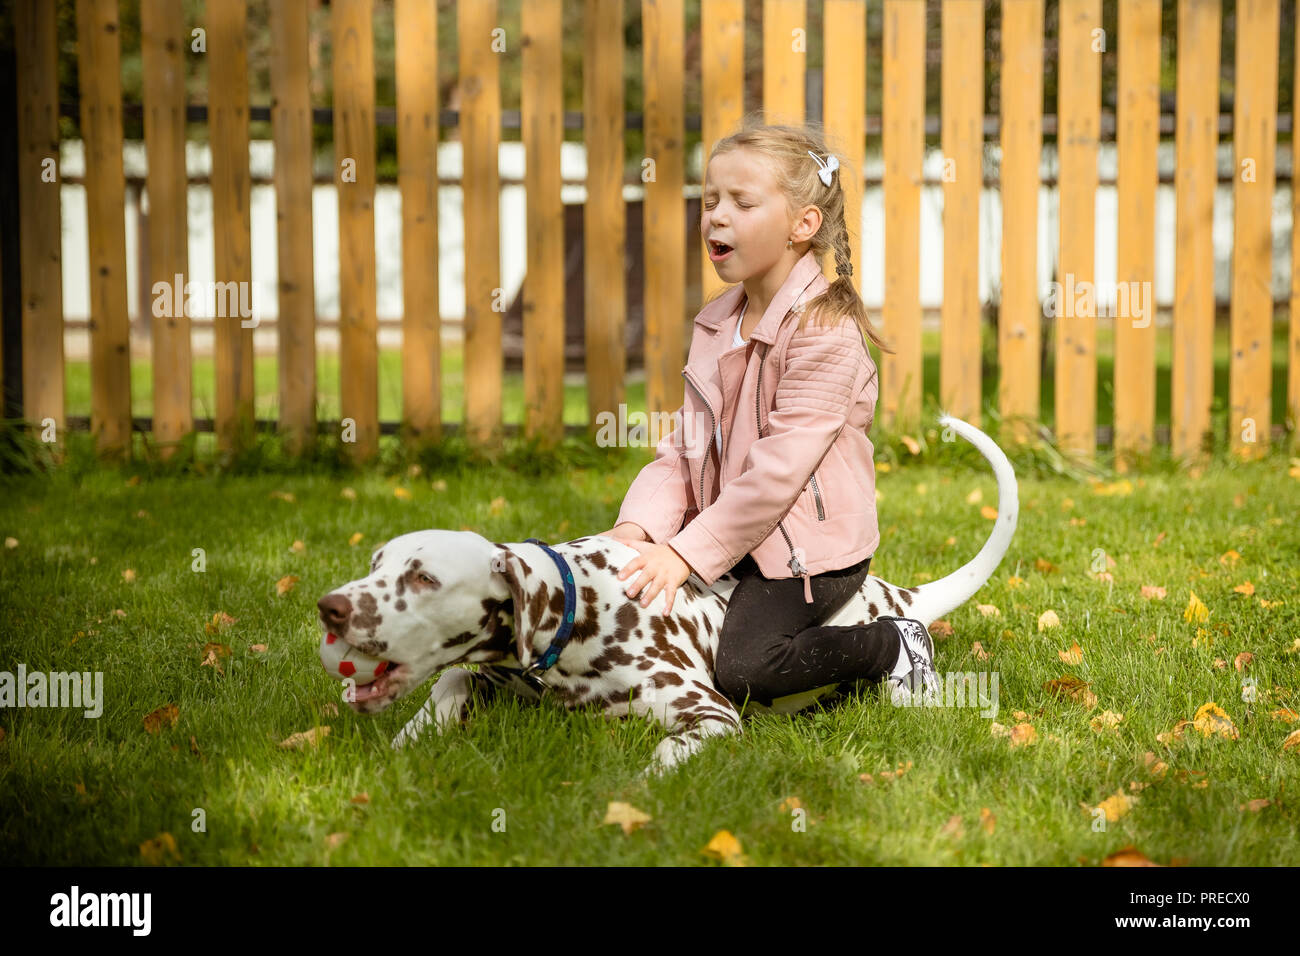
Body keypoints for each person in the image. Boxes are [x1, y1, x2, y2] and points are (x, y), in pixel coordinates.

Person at [595, 119, 941, 710]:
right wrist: (635, 531)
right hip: (730, 536)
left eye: (742, 202)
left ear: (802, 227)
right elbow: (684, 449)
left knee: (746, 668)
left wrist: (683, 554)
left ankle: (890, 645)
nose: (716, 216)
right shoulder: (716, 322)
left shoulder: (825, 332)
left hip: (810, 555)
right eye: (709, 201)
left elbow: (777, 475)